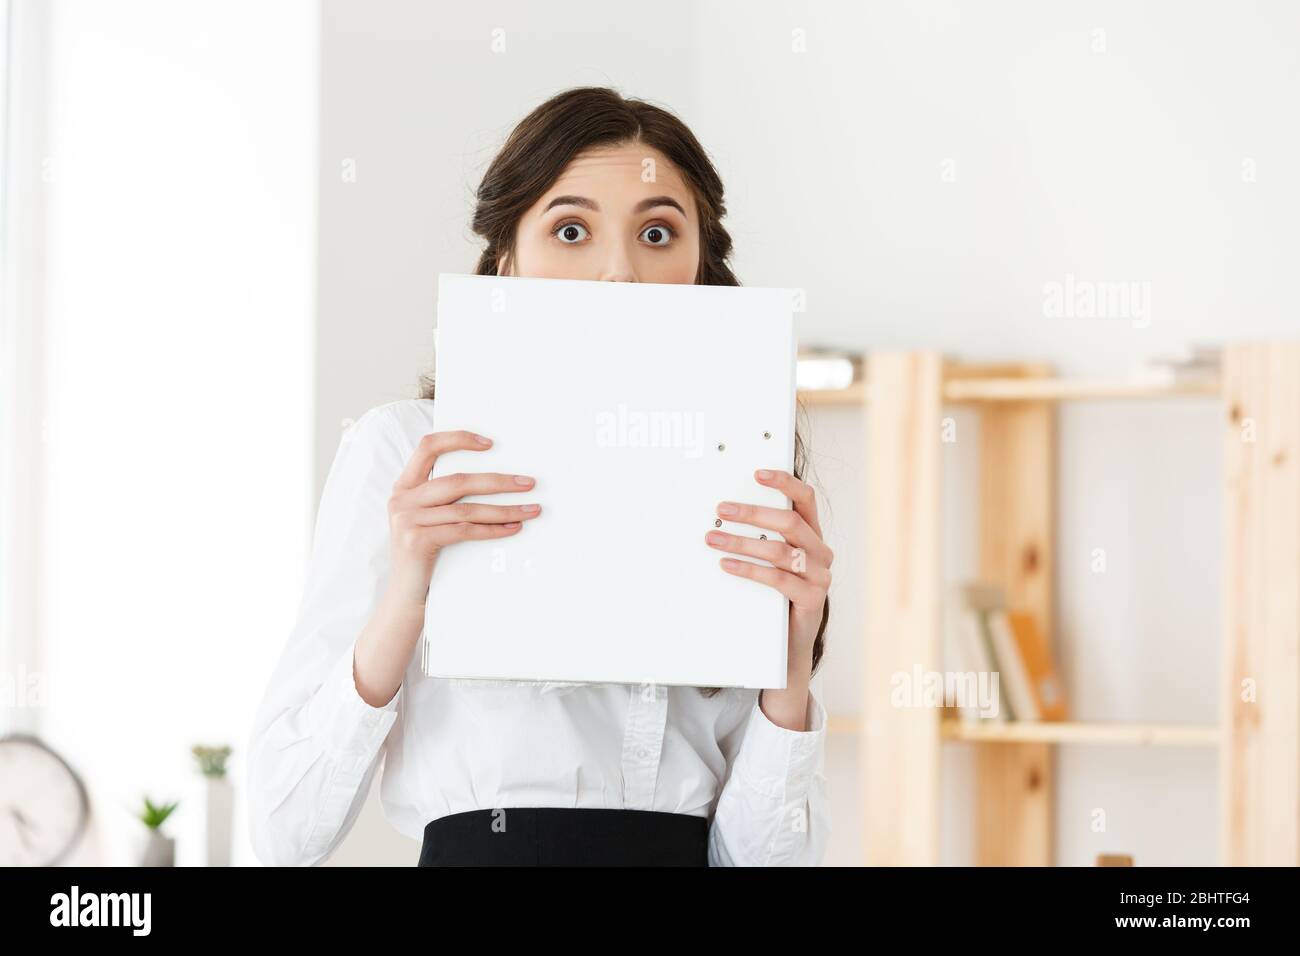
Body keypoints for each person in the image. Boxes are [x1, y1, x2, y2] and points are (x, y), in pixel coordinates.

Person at [248, 87, 834, 866]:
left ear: (700, 266)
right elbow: (285, 832)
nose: (618, 276)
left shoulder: (748, 472)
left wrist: (788, 665)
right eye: (570, 230)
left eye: (658, 232)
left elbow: (765, 861)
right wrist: (408, 594)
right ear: (506, 261)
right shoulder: (409, 456)